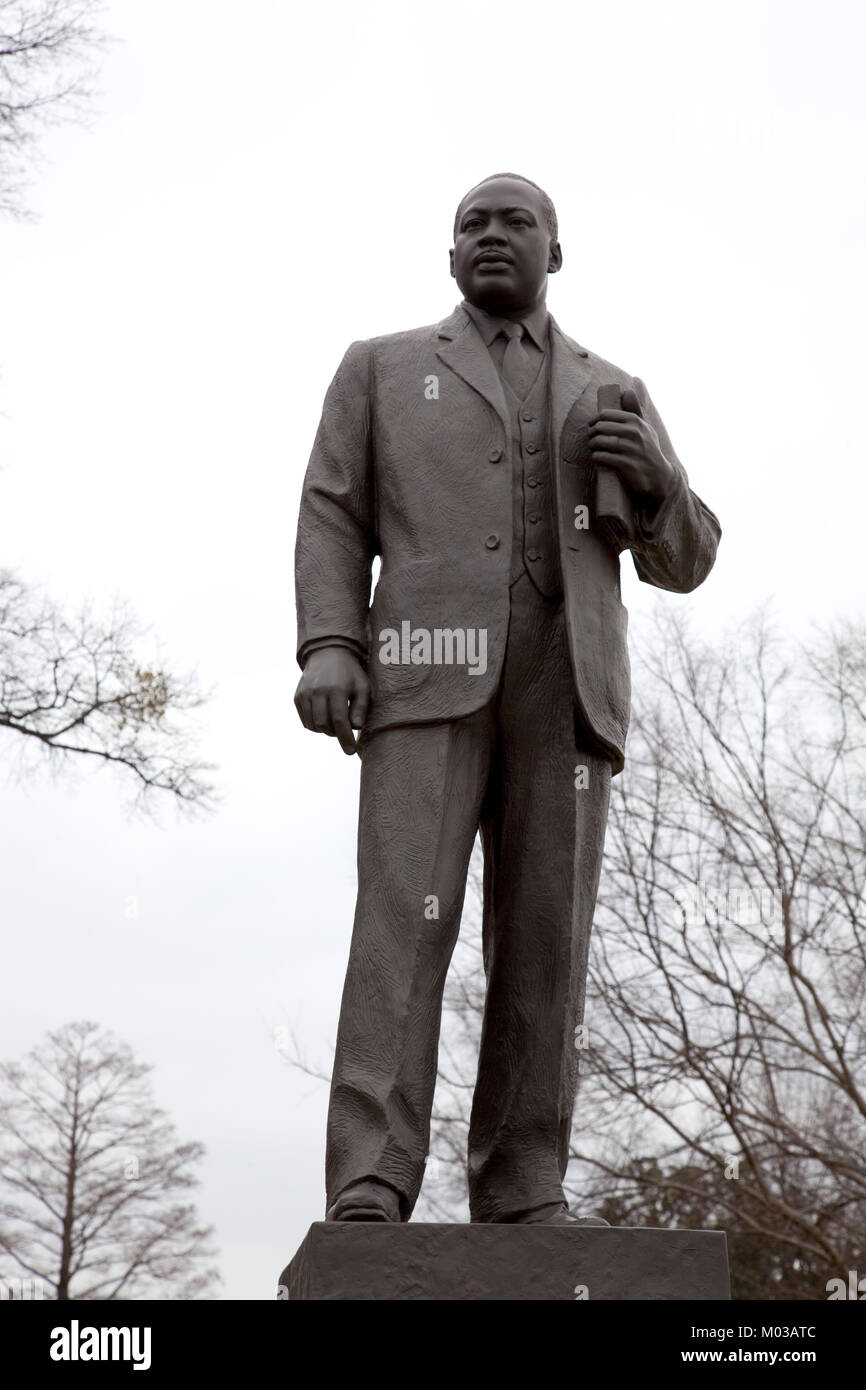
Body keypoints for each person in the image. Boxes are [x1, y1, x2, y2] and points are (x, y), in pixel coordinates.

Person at [294, 173, 721, 1225]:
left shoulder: (611, 384)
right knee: (402, 923)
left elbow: (689, 557)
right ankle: (371, 1177)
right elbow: (332, 512)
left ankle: (525, 1182)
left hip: (564, 688)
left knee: (545, 942)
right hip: (422, 677)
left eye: (514, 220)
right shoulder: (382, 369)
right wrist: (331, 642)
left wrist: (659, 481)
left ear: (554, 252)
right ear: (448, 258)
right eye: (470, 224)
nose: (491, 235)